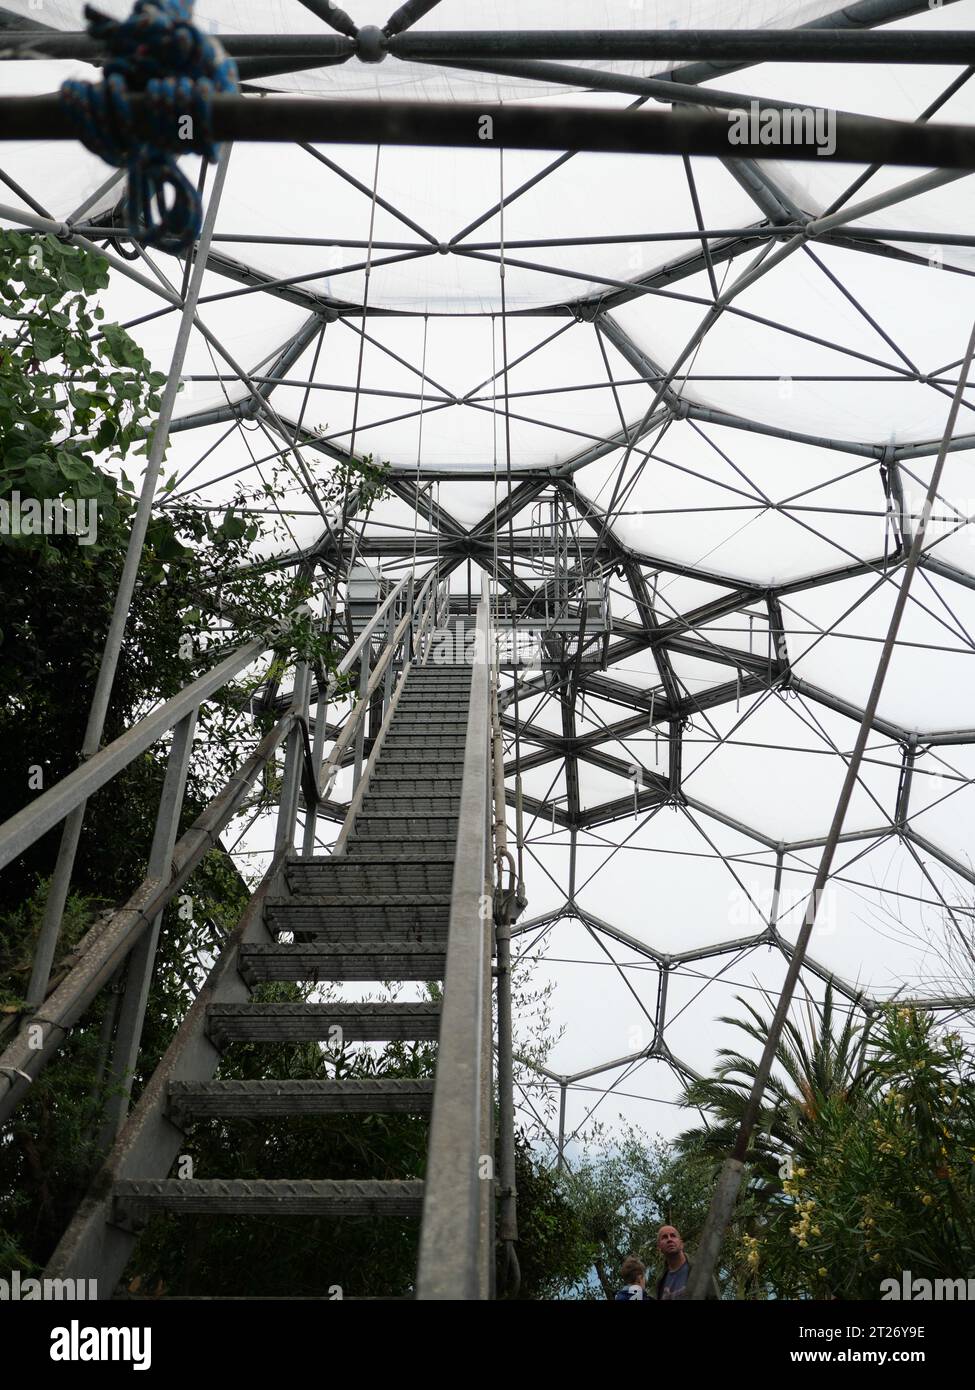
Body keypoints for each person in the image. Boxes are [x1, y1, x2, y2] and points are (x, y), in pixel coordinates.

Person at [655, 1225, 691, 1300]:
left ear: (681, 1244)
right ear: (659, 1248)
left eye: (673, 1236)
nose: (669, 1239)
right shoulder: (661, 1281)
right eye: (664, 1237)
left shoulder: (698, 1268)